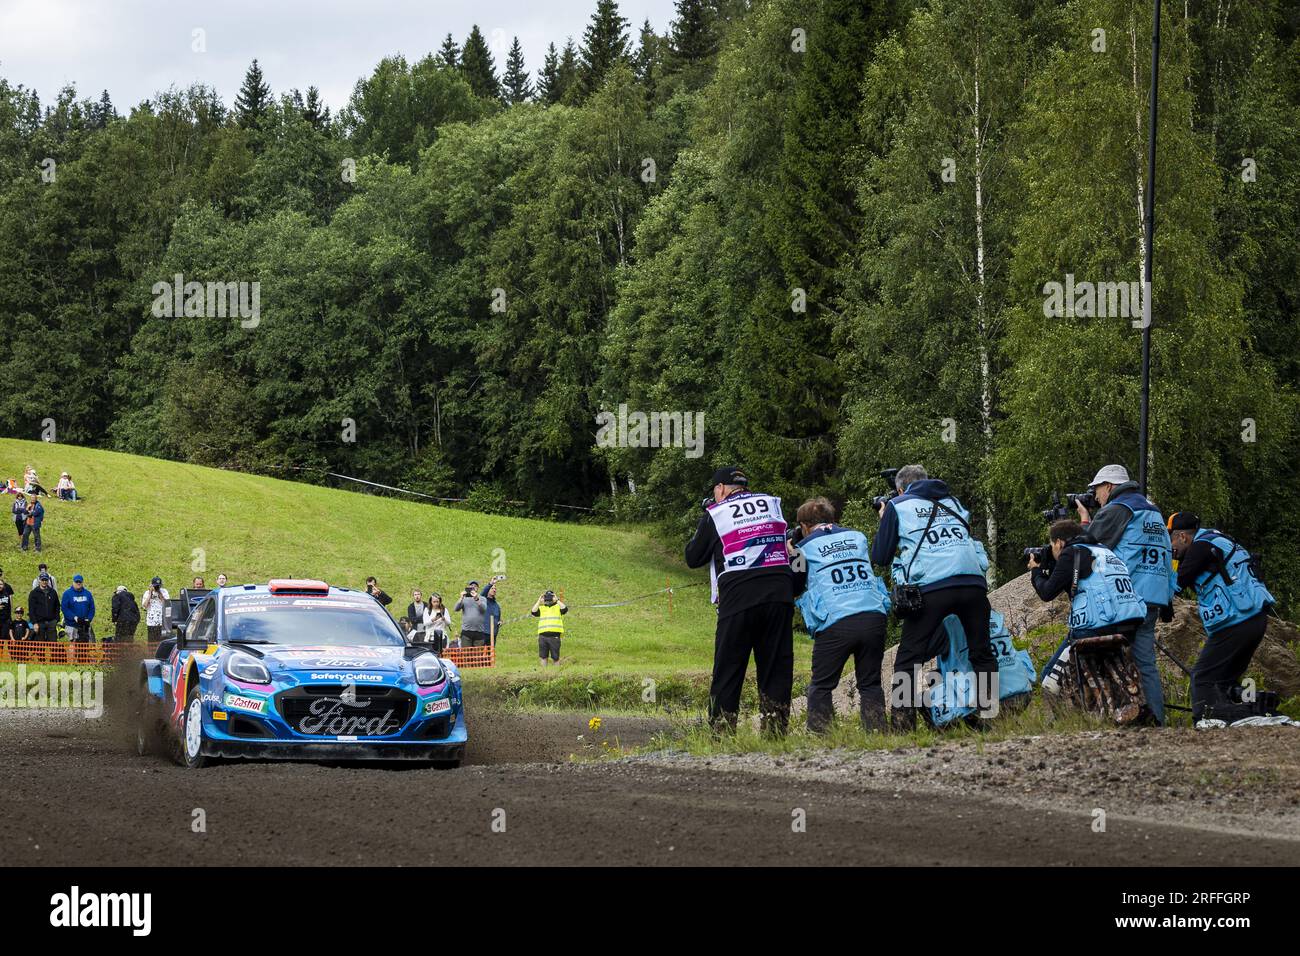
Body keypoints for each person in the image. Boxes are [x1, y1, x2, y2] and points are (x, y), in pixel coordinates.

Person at [870, 464, 996, 731]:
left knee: (908, 659)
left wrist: (885, 520)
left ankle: (903, 725)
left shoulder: (898, 505)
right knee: (982, 653)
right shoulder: (953, 502)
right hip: (973, 583)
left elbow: (880, 556)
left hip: (933, 587)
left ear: (901, 489)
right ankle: (990, 718)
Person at [685, 466, 795, 734]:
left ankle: (722, 735)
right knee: (776, 668)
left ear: (720, 488)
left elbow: (693, 557)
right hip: (779, 593)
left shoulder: (716, 512)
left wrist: (706, 521)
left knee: (729, 668)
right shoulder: (772, 504)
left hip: (738, 595)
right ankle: (776, 734)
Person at [1075, 464, 1175, 725]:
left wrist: (1085, 520)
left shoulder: (1118, 509)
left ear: (1109, 486)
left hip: (1125, 600)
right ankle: (1156, 722)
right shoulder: (1153, 512)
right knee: (1145, 664)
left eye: (1097, 489)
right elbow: (1167, 557)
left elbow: (1087, 546)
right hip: (1153, 598)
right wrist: (1167, 599)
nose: (1096, 496)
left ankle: (1105, 718)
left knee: (1099, 656)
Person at [789, 497, 891, 732]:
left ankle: (821, 735)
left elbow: (795, 586)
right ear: (833, 519)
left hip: (836, 621)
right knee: (870, 683)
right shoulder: (858, 537)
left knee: (822, 685)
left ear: (804, 526)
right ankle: (877, 733)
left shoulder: (803, 549)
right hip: (873, 614)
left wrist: (792, 553)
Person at [1167, 512, 1276, 721]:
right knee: (1224, 681)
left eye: (1171, 539)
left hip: (1237, 622)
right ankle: (1258, 708)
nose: (1171, 546)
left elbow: (1176, 585)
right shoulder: (1217, 539)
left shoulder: (1200, 547)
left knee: (1202, 678)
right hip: (1254, 619)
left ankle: (1208, 719)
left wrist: (1168, 562)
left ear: (1183, 537)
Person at [1029, 519, 1147, 690]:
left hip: (1095, 626)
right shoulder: (1104, 550)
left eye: (1052, 546)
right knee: (1105, 677)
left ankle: (1076, 714)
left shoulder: (1071, 553)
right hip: (1128, 621)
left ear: (1059, 542)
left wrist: (1036, 572)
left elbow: (1047, 592)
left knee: (1050, 680)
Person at [530, 590, 567, 665]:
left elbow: (565, 609)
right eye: (547, 597)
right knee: (543, 656)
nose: (549, 599)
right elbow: (533, 612)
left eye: (550, 597)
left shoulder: (558, 607)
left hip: (554, 636)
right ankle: (544, 673)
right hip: (543, 636)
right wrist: (539, 601)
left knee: (555, 657)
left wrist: (557, 600)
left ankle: (556, 673)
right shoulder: (542, 608)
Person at [62, 574, 96, 642]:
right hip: (72, 625)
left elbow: (92, 608)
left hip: (84, 625)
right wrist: (74, 617)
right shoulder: (67, 593)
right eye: (76, 582)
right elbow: (64, 608)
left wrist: (88, 619)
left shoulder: (87, 593)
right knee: (73, 646)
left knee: (85, 646)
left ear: (82, 582)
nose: (78, 583)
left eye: (79, 582)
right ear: (73, 582)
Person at [455, 581, 489, 647]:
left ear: (478, 588)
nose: (473, 587)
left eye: (475, 586)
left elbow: (484, 609)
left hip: (479, 631)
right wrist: (461, 598)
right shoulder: (464, 599)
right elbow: (456, 609)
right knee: (466, 655)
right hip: (466, 631)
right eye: (471, 585)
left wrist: (476, 599)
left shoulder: (482, 598)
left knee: (477, 656)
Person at [28, 572, 60, 641]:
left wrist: (56, 619)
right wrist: (34, 623)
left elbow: (57, 606)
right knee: (39, 647)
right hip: (39, 623)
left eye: (46, 580)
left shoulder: (53, 592)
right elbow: (31, 609)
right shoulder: (34, 593)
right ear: (39, 580)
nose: (44, 582)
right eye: (43, 580)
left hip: (51, 622)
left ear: (48, 580)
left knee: (53, 645)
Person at [142, 577, 170, 643]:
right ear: (151, 585)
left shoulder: (164, 591)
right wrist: (150, 594)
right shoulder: (147, 593)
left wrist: (159, 593)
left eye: (159, 585)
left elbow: (167, 604)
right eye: (156, 585)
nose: (157, 587)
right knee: (152, 643)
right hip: (151, 622)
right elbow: (145, 605)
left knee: (162, 642)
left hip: (162, 622)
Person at [0, 567, 13, 643]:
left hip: (5, 619)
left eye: (1, 584)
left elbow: (10, 603)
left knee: (4, 637)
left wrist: (10, 616)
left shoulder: (7, 588)